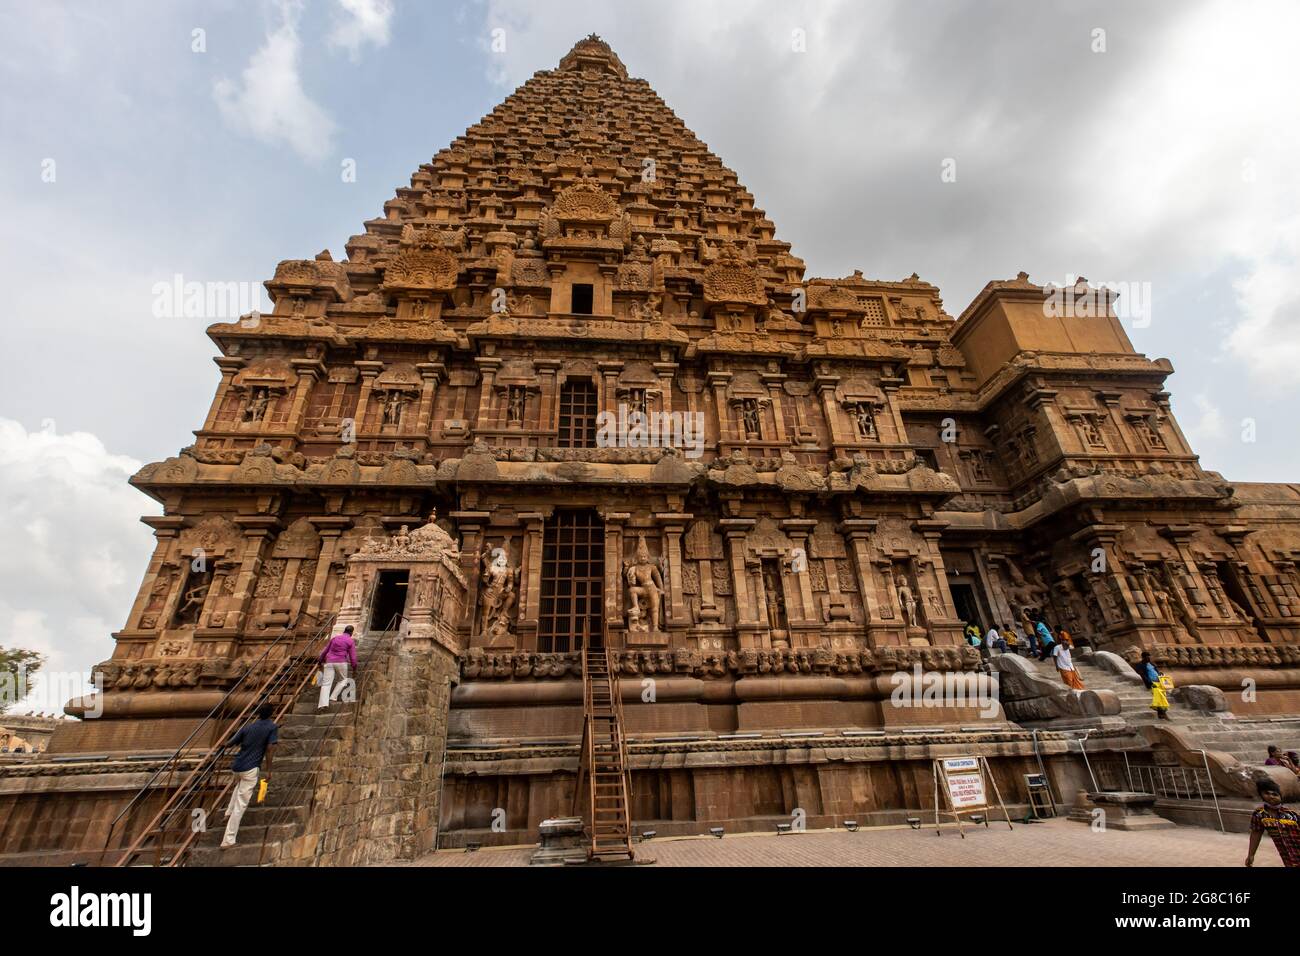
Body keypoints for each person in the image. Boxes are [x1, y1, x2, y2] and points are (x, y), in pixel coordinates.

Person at [220, 702, 279, 849]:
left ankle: (228, 812)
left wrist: (221, 745)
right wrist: (269, 769)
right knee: (241, 804)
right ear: (271, 714)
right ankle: (228, 840)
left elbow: (230, 743)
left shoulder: (248, 727)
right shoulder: (272, 727)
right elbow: (270, 748)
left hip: (237, 766)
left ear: (258, 714)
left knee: (239, 786)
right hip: (251, 768)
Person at [1246, 778, 1300, 868]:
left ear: (1280, 796)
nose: (1271, 796)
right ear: (1261, 795)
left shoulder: (1293, 814)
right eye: (1267, 793)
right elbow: (1256, 833)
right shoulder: (1259, 815)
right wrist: (1251, 854)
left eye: (1274, 794)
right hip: (1287, 855)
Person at [318, 624, 358, 710]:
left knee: (326, 684)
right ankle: (333, 697)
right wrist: (354, 667)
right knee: (343, 680)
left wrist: (320, 661)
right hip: (341, 662)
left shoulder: (334, 638)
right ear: (351, 632)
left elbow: (325, 651)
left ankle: (323, 704)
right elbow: (353, 657)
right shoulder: (350, 641)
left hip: (329, 662)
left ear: (344, 630)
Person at [1139, 651, 1170, 720]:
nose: (1149, 658)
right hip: (1153, 683)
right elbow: (1143, 675)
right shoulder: (1141, 665)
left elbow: (1156, 671)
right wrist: (1150, 683)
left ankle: (1160, 714)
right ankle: (1164, 713)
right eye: (1147, 656)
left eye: (1149, 656)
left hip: (1159, 682)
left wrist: (1159, 673)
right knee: (1158, 698)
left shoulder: (1151, 664)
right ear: (1143, 657)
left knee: (1162, 697)